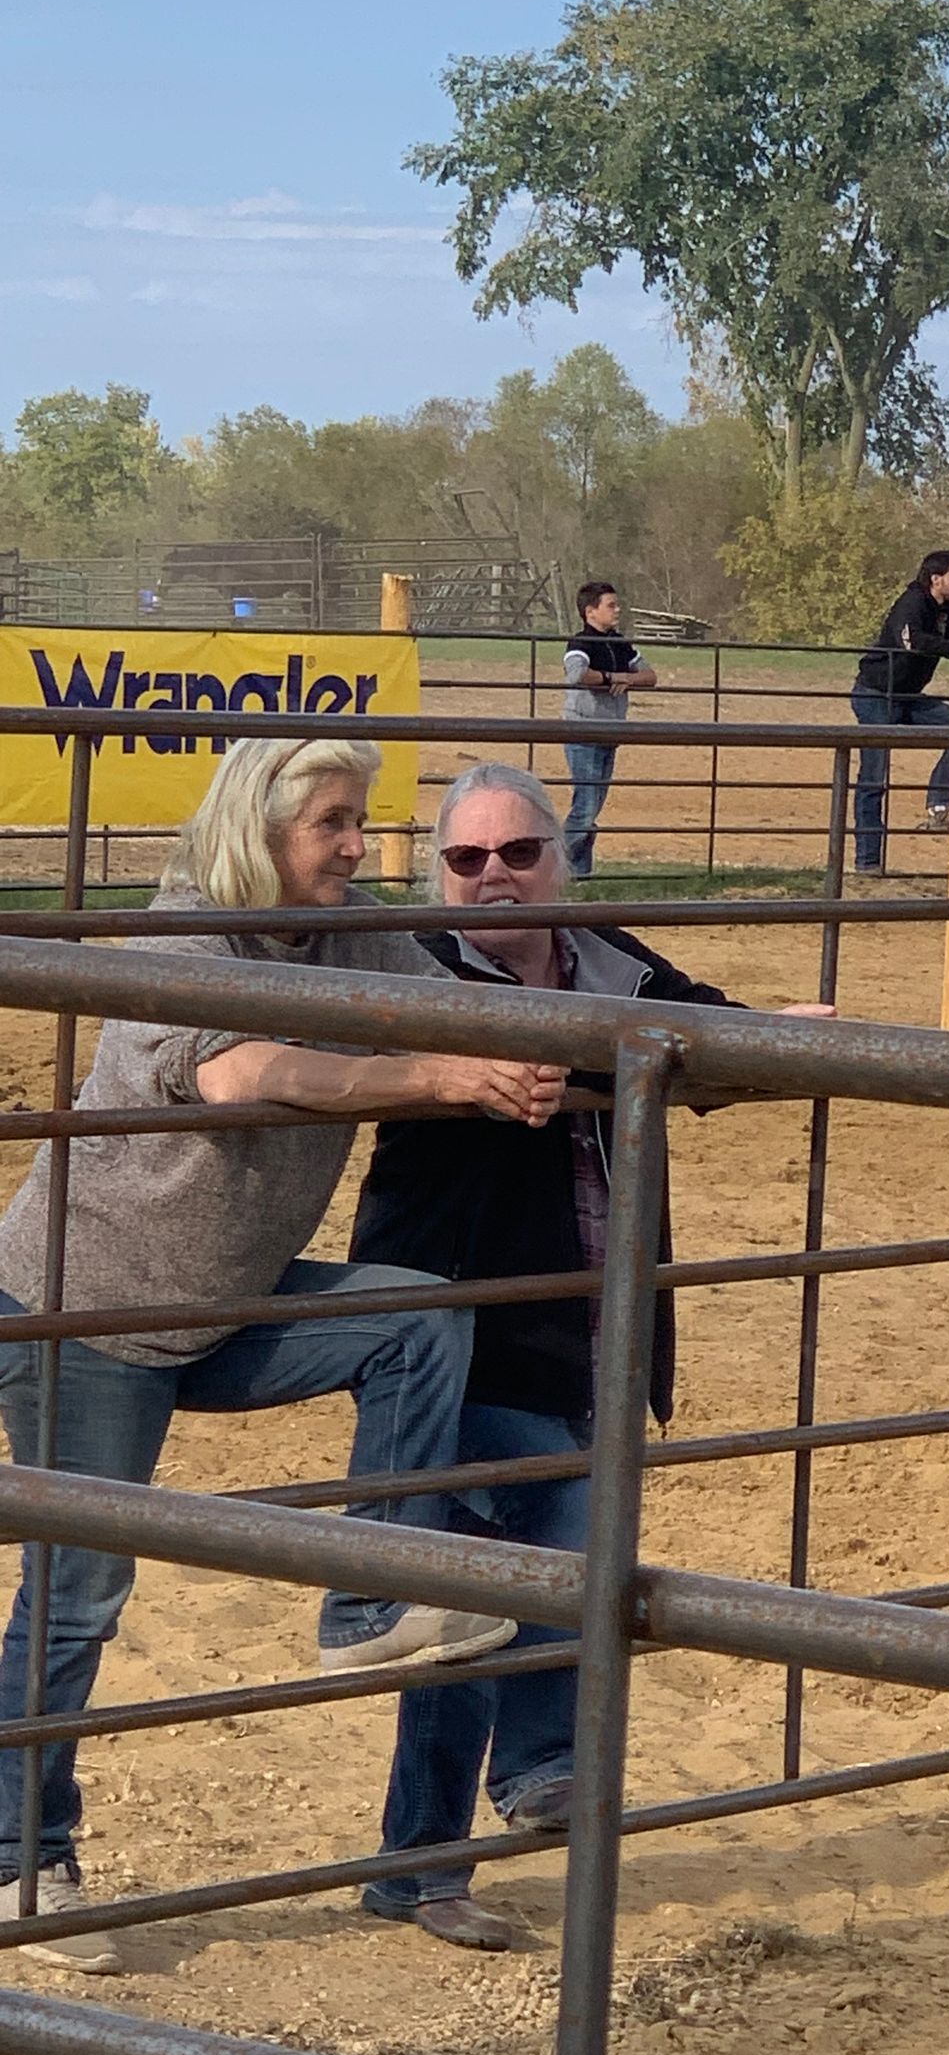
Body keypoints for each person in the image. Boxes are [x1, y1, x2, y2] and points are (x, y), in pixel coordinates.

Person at [0, 737, 567, 1971]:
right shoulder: (184, 934)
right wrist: (437, 1074)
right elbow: (254, 1070)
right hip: (93, 1308)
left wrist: (670, 1027)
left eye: (363, 820)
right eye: (335, 824)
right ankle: (20, 1863)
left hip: (231, 1301)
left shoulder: (345, 928)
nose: (361, 845)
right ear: (260, 827)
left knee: (417, 1313)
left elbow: (468, 989)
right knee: (80, 1593)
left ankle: (367, 1598)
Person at [351, 763, 835, 1950]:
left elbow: (704, 1035)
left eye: (518, 853)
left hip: (593, 1337)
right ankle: (485, 1815)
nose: (494, 878)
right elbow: (584, 1058)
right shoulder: (424, 970)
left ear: (564, 858)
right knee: (500, 1589)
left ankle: (465, 1833)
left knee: (516, 1594)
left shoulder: (607, 960)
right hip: (456, 1338)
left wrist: (771, 1039)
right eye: (467, 861)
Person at [850, 551, 949, 876]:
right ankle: (867, 863)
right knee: (874, 777)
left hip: (908, 697)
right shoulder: (911, 602)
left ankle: (939, 798)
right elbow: (913, 641)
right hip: (876, 695)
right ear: (936, 579)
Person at [560, 580, 658, 875]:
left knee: (591, 808)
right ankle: (558, 867)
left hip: (609, 732)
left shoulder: (620, 644)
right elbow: (576, 674)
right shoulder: (580, 643)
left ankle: (578, 873)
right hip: (584, 731)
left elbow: (650, 676)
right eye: (611, 605)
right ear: (591, 612)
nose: (618, 610)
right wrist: (611, 677)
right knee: (586, 808)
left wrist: (624, 678)